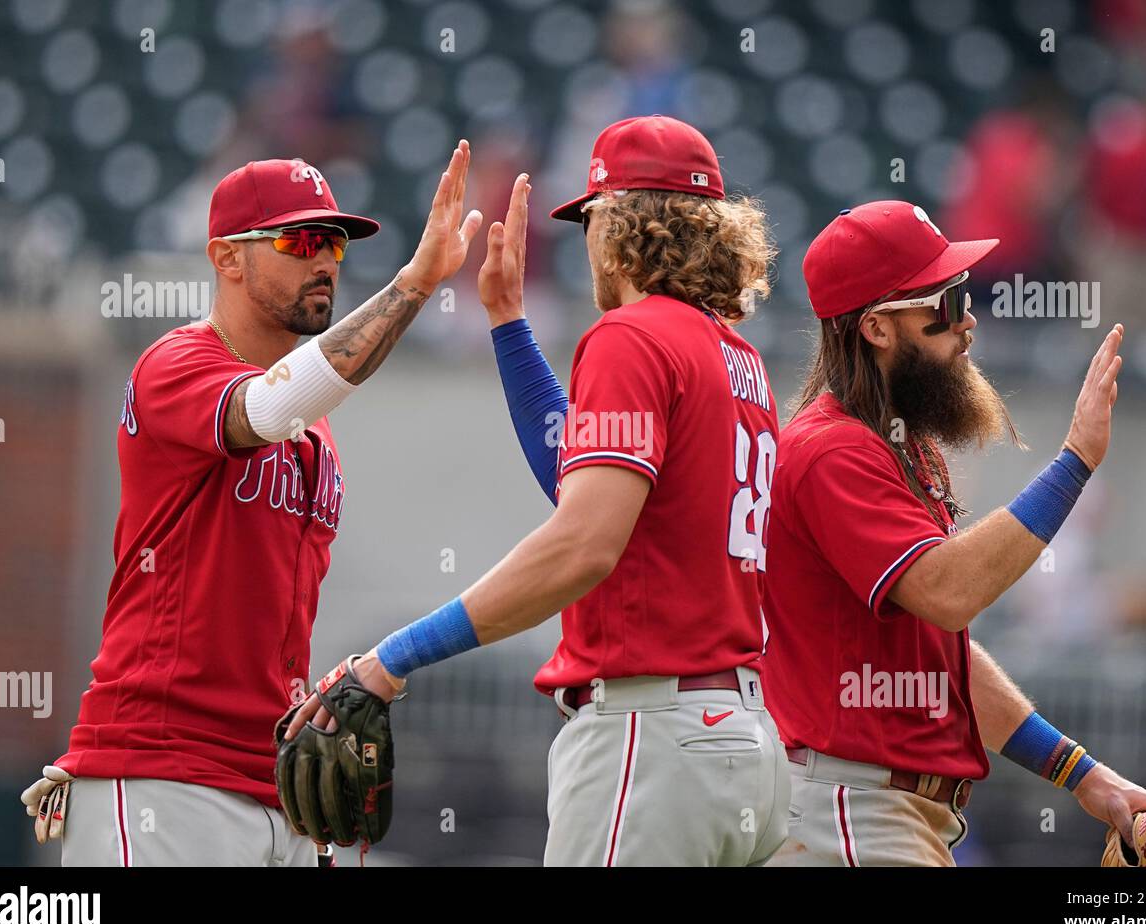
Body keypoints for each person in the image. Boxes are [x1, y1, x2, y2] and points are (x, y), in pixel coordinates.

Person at [285, 115, 790, 866]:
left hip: (650, 740)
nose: (584, 239)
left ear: (619, 221)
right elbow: (583, 483)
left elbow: (582, 543)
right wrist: (508, 322)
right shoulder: (737, 357)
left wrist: (393, 658)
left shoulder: (634, 335)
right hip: (743, 742)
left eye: (587, 216)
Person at [21, 146, 483, 866]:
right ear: (227, 258)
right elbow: (269, 406)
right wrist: (416, 285)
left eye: (333, 242)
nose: (325, 260)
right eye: (299, 242)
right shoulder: (175, 366)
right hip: (161, 773)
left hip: (276, 783)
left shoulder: (319, 425)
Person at [763, 200, 1146, 866]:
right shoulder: (832, 452)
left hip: (882, 812)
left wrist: (1082, 775)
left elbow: (937, 656)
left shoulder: (898, 447)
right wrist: (1075, 462)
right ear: (877, 329)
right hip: (845, 811)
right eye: (943, 304)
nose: (966, 321)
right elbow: (949, 594)